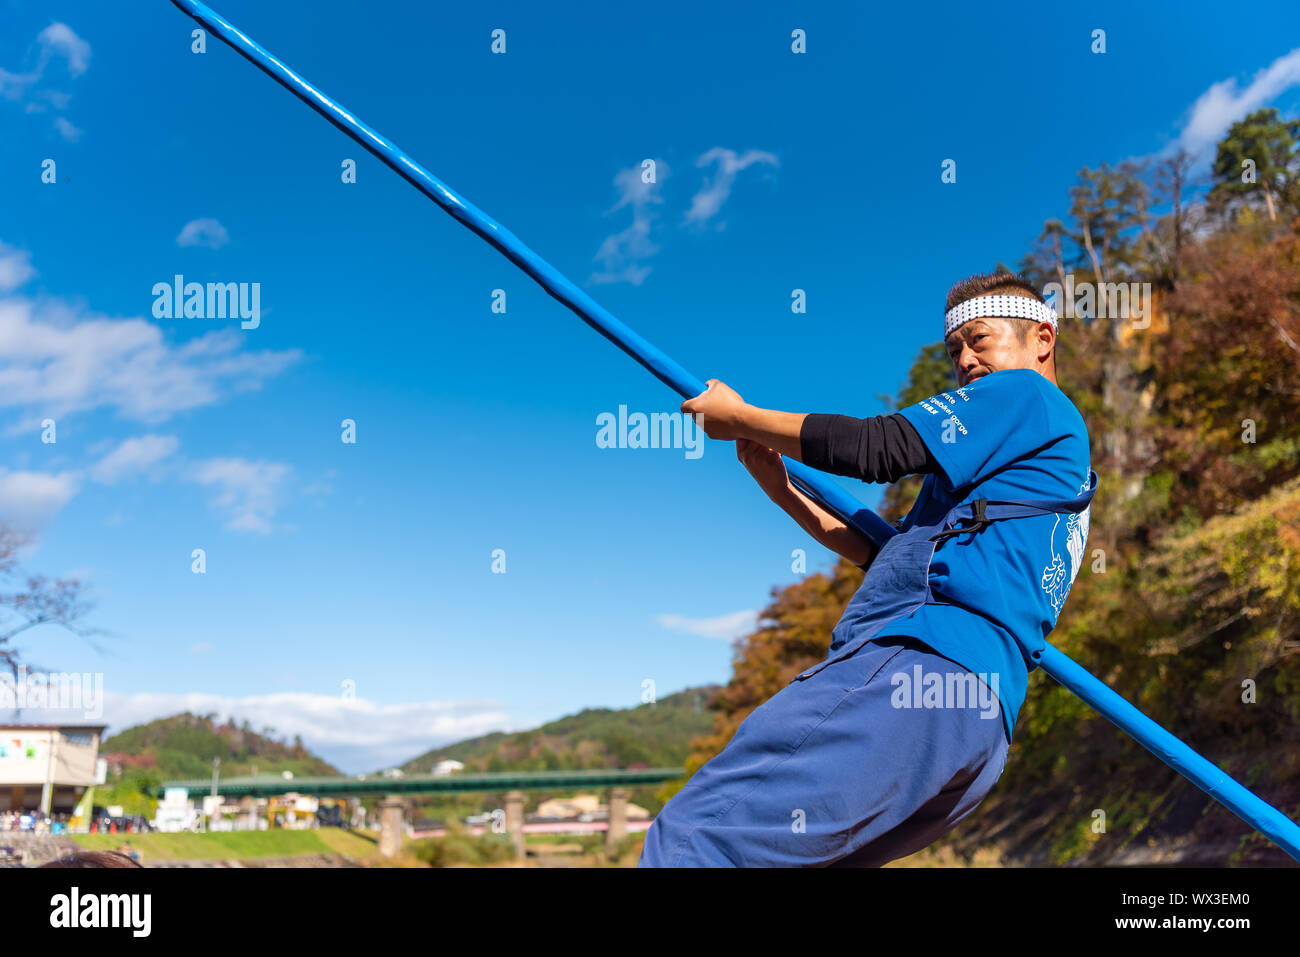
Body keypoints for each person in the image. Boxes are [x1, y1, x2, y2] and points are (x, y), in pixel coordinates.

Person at [639, 272, 1097, 867]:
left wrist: (742, 416)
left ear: (1042, 338)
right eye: (954, 349)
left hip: (918, 667)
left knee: (699, 839)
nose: (964, 360)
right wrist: (781, 490)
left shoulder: (1026, 397)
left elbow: (874, 448)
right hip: (975, 726)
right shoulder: (1027, 470)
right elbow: (883, 556)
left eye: (979, 340)